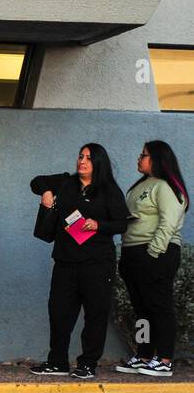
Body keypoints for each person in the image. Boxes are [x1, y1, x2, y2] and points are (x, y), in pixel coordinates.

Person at [29, 143, 129, 379]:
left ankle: (87, 363)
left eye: (88, 158)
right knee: (59, 312)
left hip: (97, 263)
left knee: (95, 314)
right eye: (80, 156)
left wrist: (98, 224)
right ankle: (57, 361)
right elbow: (36, 181)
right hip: (65, 261)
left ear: (99, 163)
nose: (82, 161)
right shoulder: (66, 182)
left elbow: (122, 224)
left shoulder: (109, 191)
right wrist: (46, 192)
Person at [116, 140, 187, 378]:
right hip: (132, 252)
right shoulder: (139, 186)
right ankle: (143, 355)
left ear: (157, 159)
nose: (139, 158)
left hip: (156, 253)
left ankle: (165, 359)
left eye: (144, 155)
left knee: (160, 306)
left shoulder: (166, 186)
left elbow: (169, 222)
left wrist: (153, 253)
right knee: (141, 309)